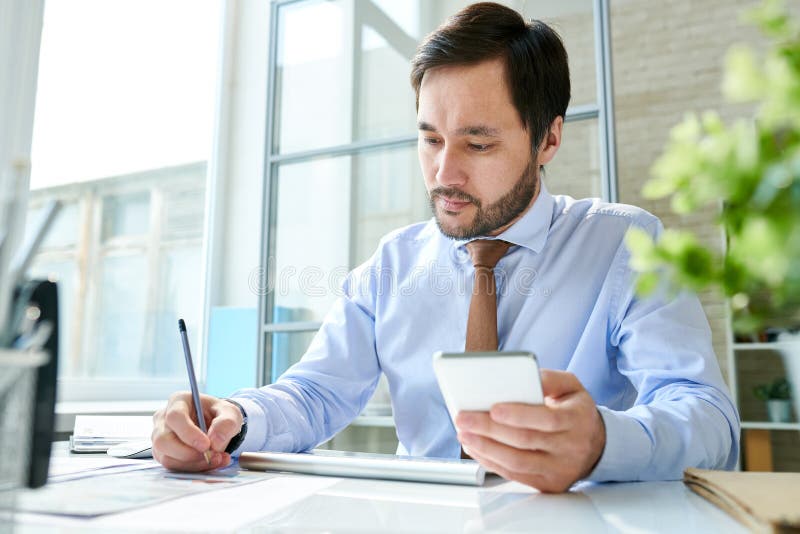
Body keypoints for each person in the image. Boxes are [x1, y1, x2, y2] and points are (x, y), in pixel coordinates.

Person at [152, 2, 739, 493]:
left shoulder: (623, 243)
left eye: (477, 144)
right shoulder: (392, 264)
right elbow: (316, 392)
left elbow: (710, 420)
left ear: (549, 139)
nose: (444, 173)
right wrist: (233, 419)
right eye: (430, 139)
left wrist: (603, 442)